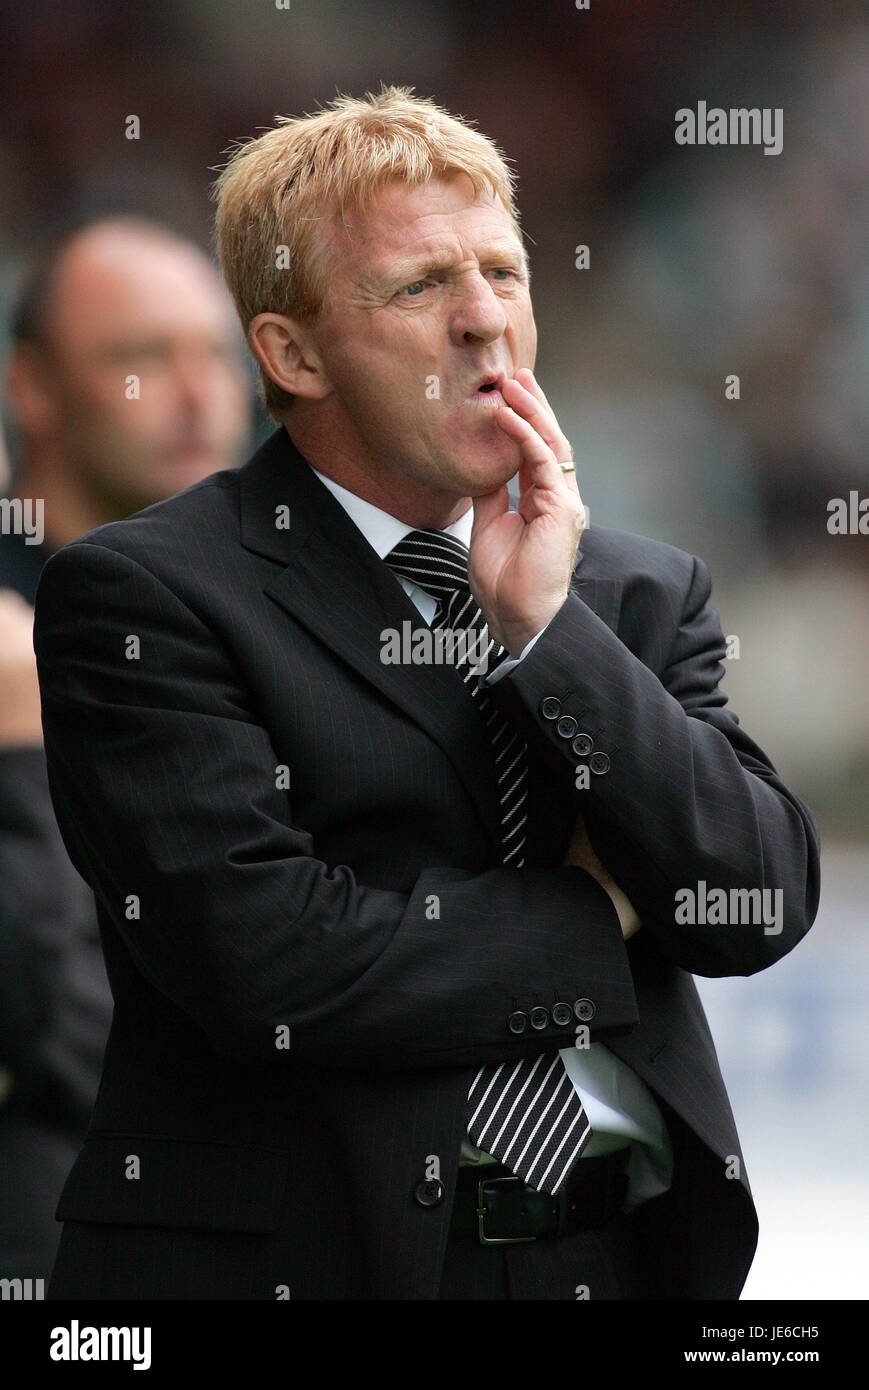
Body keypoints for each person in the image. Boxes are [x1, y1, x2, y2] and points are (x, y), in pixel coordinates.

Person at [33, 89, 819, 1301]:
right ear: (291, 353)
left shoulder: (634, 588)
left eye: (502, 273)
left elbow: (753, 901)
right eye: (417, 288)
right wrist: (593, 913)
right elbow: (271, 963)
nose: (483, 322)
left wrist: (547, 634)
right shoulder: (142, 594)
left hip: (619, 1260)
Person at [0, 215, 250, 1280]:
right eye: (143, 357)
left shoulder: (307, 622)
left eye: (217, 354)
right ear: (34, 388)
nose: (196, 394)